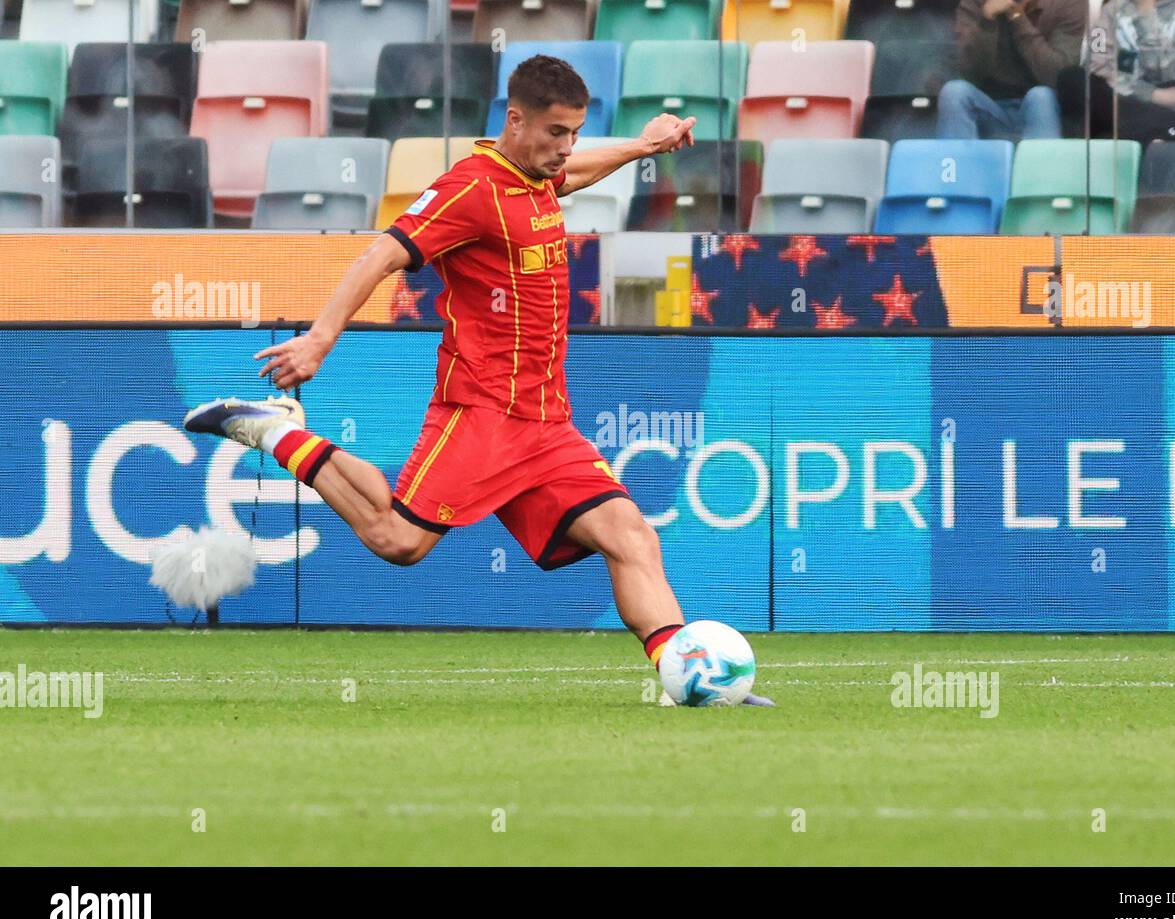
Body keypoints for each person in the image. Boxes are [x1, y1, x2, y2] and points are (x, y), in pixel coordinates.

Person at [182, 56, 774, 706]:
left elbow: (569, 173)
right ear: (514, 120)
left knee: (629, 534)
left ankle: (683, 676)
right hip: (481, 413)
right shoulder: (471, 189)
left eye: (575, 131)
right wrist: (321, 337)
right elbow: (382, 253)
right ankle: (275, 433)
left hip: (547, 424)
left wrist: (640, 145)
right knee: (397, 540)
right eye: (554, 132)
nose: (566, 147)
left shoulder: (540, 177)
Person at [1058, 0, 1175, 142]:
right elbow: (1094, 65)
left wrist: (1145, 14)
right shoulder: (1111, 9)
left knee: (1119, 138)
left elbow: (1173, 73)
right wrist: (1151, 94)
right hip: (1124, 106)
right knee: (1073, 78)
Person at [939, 0, 1088, 140]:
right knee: (954, 92)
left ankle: (1043, 166)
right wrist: (987, 22)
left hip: (1043, 107)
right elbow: (966, 72)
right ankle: (957, 166)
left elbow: (1058, 76)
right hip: (986, 103)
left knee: (1041, 96)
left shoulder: (1067, 3)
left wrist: (1017, 16)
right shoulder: (975, 3)